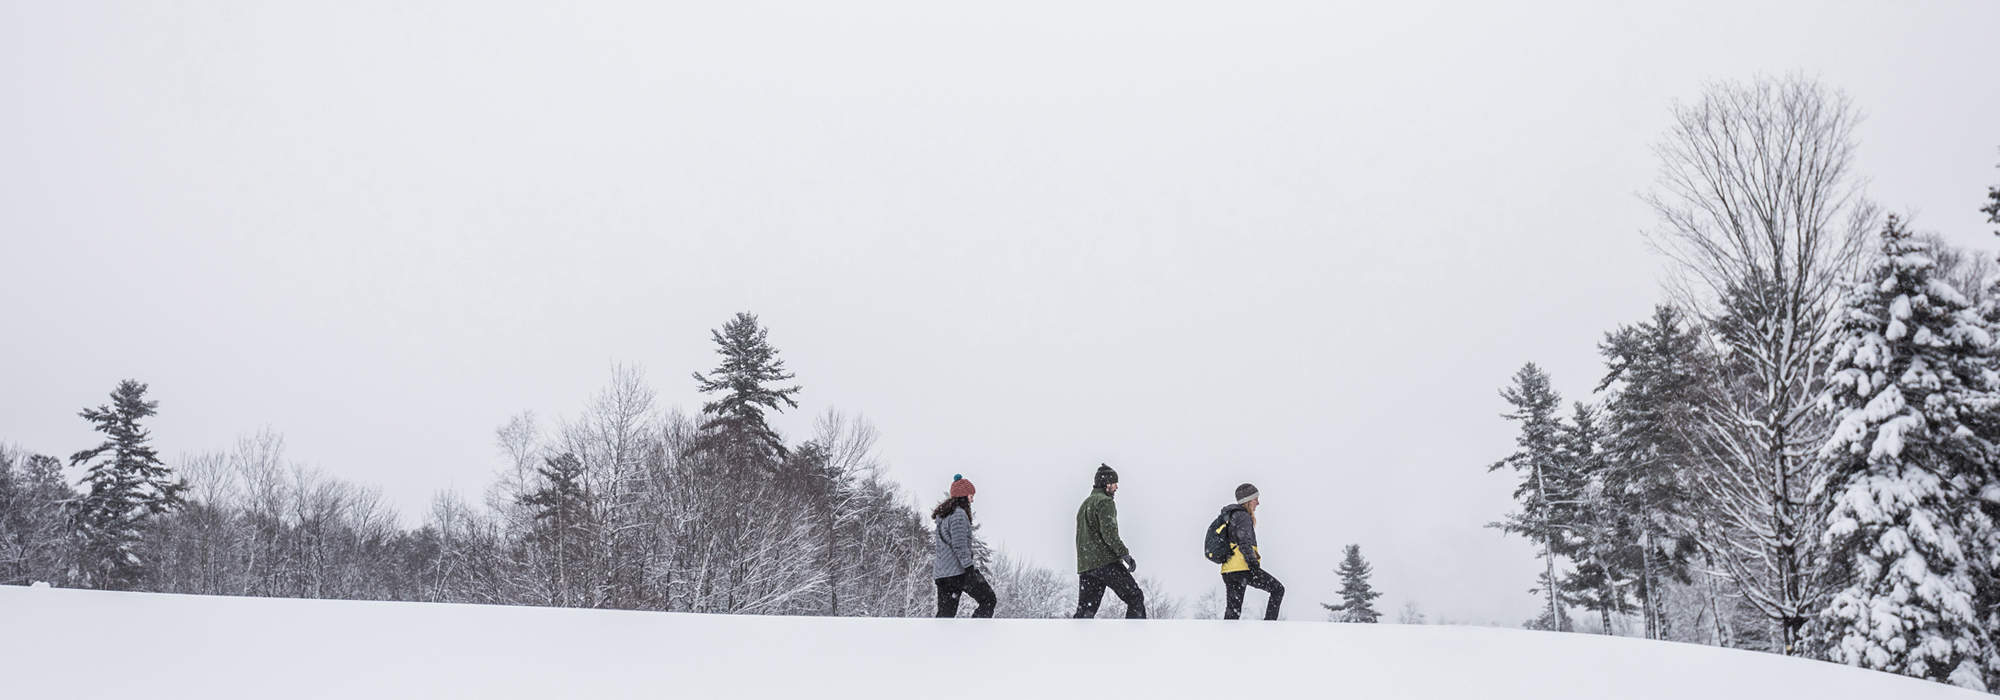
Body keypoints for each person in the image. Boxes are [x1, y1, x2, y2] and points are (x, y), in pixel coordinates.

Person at [1074, 464, 1146, 619]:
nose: (1117, 487)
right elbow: (1110, 535)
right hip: (1106, 563)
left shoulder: (1084, 505)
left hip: (1086, 566)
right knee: (1135, 597)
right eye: (1114, 483)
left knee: (1085, 611)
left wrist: (1086, 564)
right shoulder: (1105, 502)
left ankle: (1077, 641)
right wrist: (1125, 555)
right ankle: (1137, 639)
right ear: (1106, 484)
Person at [933, 475, 996, 618]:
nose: (972, 500)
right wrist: (969, 569)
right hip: (959, 572)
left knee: (945, 617)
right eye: (971, 496)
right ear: (963, 496)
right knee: (989, 599)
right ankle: (975, 637)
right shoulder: (959, 514)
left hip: (942, 574)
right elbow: (960, 545)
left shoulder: (943, 517)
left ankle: (938, 640)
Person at [1219, 482, 1284, 620]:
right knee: (1278, 589)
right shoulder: (1243, 517)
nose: (1258, 503)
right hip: (1242, 568)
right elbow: (1244, 542)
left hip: (1228, 570)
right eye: (1256, 499)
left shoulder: (1231, 516)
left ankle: (1226, 638)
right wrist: (1253, 564)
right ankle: (1269, 628)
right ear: (1248, 501)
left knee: (1233, 612)